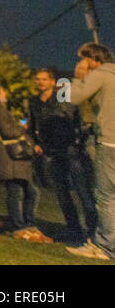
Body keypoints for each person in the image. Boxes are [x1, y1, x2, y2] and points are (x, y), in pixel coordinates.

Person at [28, 67, 97, 245]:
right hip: (51, 151)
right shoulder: (34, 102)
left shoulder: (62, 97)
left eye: (43, 79)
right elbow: (32, 124)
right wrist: (35, 142)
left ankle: (93, 230)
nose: (40, 82)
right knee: (62, 193)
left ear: (52, 81)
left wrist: (77, 141)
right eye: (37, 79)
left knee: (83, 191)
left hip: (70, 150)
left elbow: (77, 120)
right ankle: (73, 228)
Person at [0, 82, 51, 242]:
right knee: (19, 192)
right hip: (10, 158)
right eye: (3, 90)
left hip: (10, 158)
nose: (5, 93)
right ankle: (21, 226)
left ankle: (27, 225)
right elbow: (8, 131)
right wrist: (22, 128)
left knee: (26, 191)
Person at [66, 42, 115, 260]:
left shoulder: (100, 74)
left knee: (106, 197)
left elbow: (71, 97)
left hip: (109, 143)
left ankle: (105, 246)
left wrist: (77, 77)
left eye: (83, 60)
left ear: (92, 59)